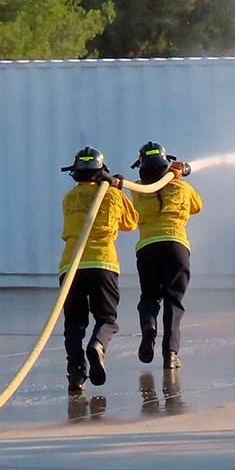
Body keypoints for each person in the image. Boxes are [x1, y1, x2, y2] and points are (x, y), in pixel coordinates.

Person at [59, 146, 139, 394]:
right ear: (101, 171)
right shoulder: (113, 196)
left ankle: (76, 374)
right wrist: (116, 188)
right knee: (106, 319)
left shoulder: (69, 197)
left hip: (71, 265)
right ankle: (97, 345)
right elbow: (131, 222)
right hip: (103, 264)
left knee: (73, 324)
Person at [129, 141, 202, 369]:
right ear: (165, 162)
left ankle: (149, 324)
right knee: (173, 299)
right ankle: (170, 353)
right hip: (176, 247)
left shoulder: (136, 190)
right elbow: (197, 206)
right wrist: (176, 177)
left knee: (149, 296)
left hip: (147, 248)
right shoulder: (182, 188)